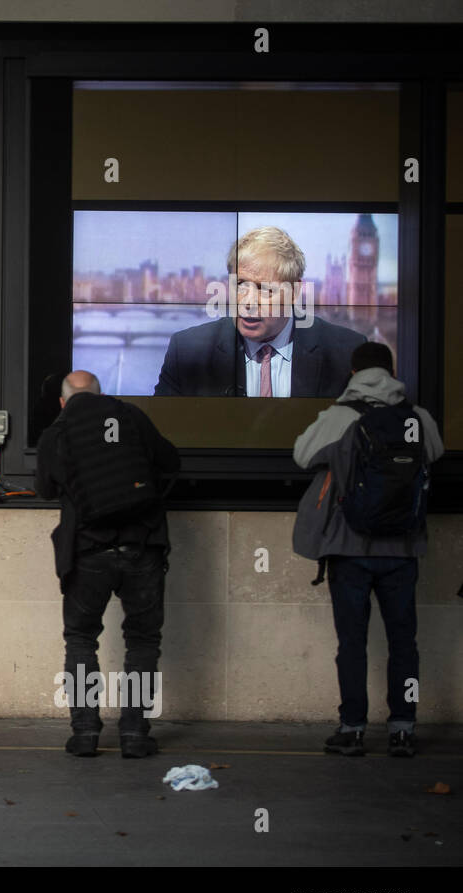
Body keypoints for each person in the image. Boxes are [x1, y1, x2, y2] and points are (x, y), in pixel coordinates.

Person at [292, 343, 443, 757]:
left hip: (349, 546)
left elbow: (302, 455)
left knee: (352, 642)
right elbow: (436, 454)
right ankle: (403, 729)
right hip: (402, 547)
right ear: (392, 370)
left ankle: (353, 728)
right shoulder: (418, 418)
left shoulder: (340, 416)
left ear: (352, 371)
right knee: (404, 641)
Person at [35, 370, 181, 757]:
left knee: (81, 639)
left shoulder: (58, 432)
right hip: (143, 545)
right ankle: (134, 733)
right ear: (102, 394)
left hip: (87, 551)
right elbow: (170, 462)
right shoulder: (131, 417)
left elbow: (45, 489)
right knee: (143, 641)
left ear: (63, 401)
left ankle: (84, 732)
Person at [154, 226, 365, 397]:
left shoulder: (347, 352)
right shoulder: (187, 351)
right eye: (241, 285)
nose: (248, 302)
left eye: (264, 289)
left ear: (294, 291)